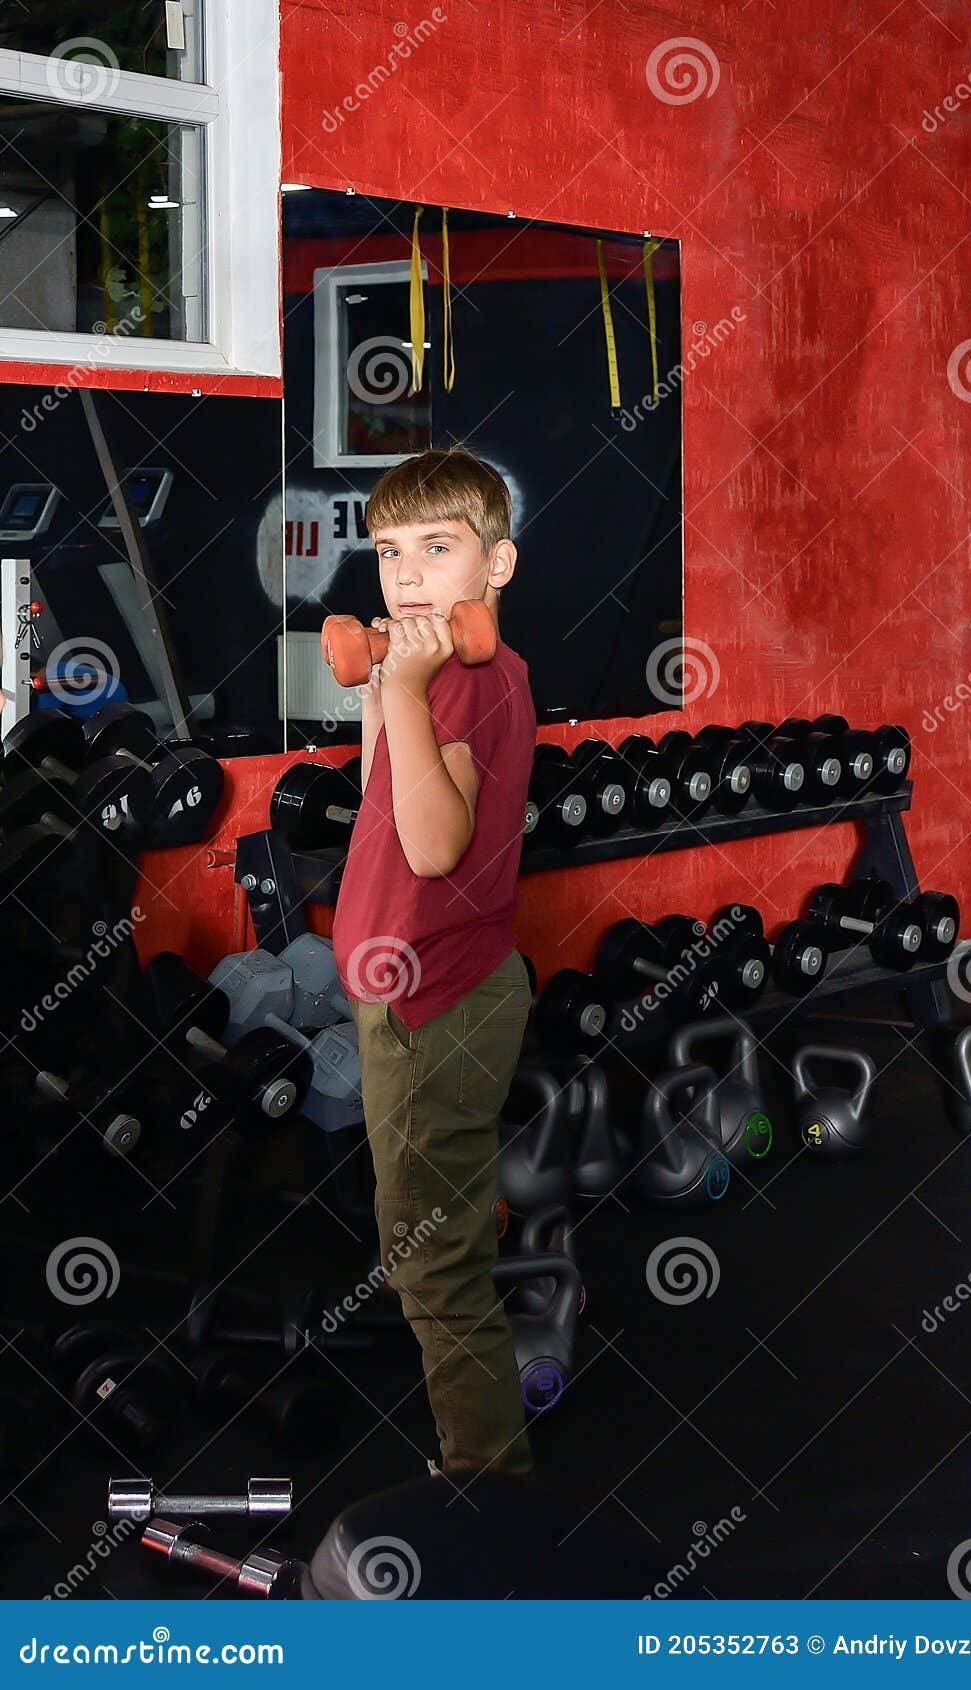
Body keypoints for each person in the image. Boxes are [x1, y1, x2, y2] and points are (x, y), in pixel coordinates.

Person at [331, 447, 536, 1483]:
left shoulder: (459, 680)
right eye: (389, 551)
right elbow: (384, 790)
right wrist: (381, 687)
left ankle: (489, 1485)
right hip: (422, 987)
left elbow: (433, 846)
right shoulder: (463, 671)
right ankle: (484, 1457)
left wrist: (407, 684)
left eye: (438, 548)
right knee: (436, 1222)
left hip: (432, 1002)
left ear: (495, 565)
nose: (406, 575)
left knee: (432, 1266)